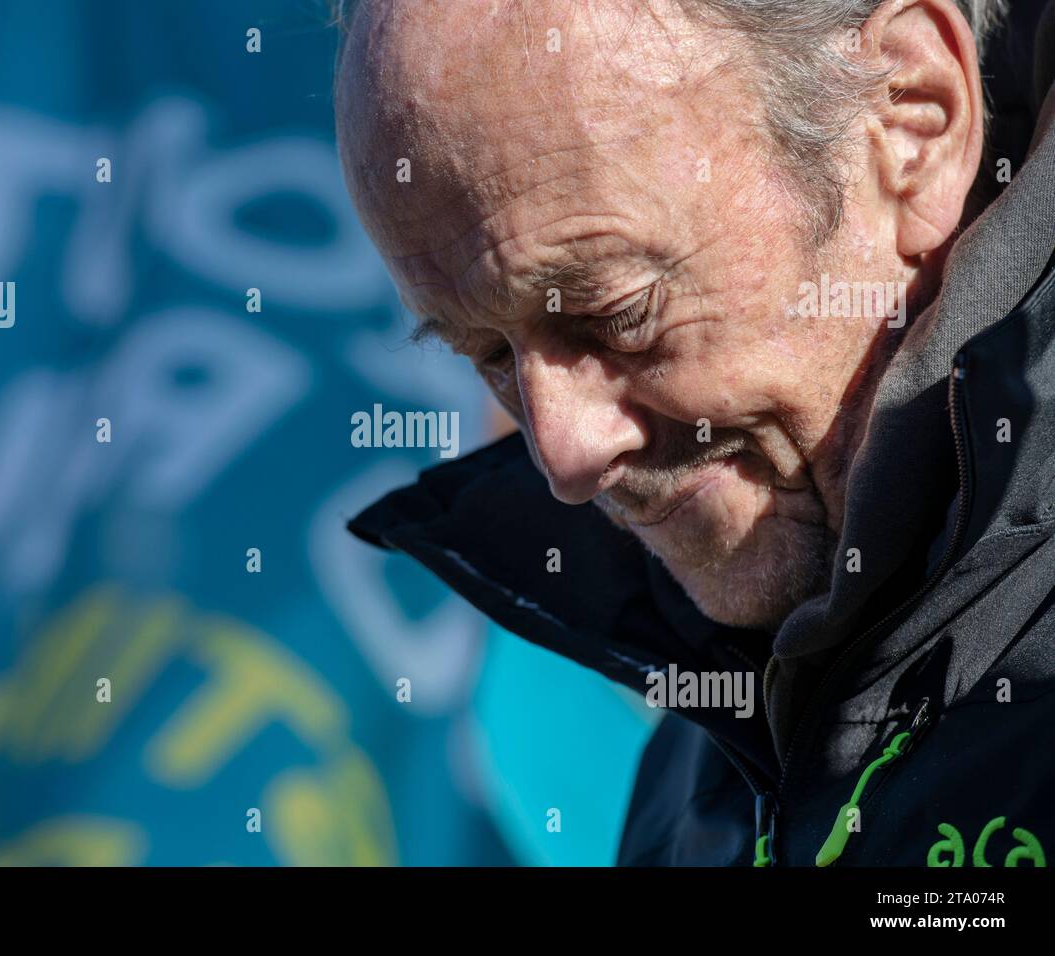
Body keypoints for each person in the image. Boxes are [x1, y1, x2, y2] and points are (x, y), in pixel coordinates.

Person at [335, 0, 1055, 865]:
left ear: (909, 123)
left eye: (618, 313)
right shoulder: (704, 763)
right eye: (488, 353)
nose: (562, 458)